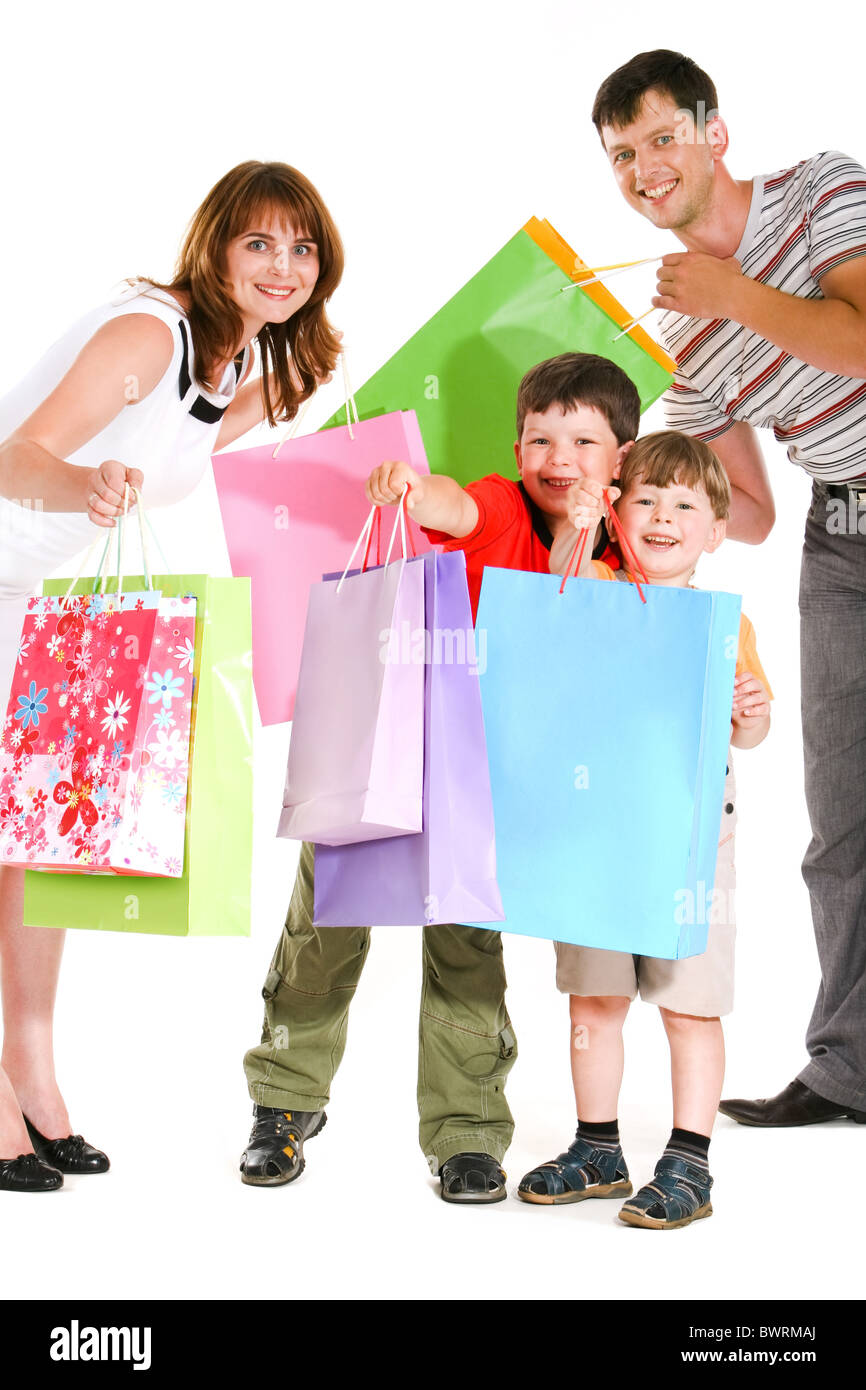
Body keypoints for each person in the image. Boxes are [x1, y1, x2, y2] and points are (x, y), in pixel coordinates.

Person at [0, 160, 343, 1192]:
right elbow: (14, 457)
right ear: (215, 247)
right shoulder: (151, 332)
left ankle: (35, 1071)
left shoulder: (236, 360)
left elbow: (185, 447)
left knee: (39, 846)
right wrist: (83, 480)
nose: (281, 266)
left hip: (50, 603)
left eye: (301, 247)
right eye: (258, 244)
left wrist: (316, 390)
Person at [239, 351, 636, 1202]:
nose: (555, 458)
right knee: (324, 929)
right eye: (539, 438)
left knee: (465, 951)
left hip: (479, 781)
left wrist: (583, 533)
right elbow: (455, 503)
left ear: (622, 460)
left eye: (581, 441)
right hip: (386, 740)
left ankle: (465, 1131)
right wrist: (413, 492)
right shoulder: (500, 504)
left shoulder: (623, 554)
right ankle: (282, 1100)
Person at [590, 49, 866, 1128]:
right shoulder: (685, 331)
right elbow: (740, 510)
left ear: (713, 131)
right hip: (836, 538)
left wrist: (735, 296)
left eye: (661, 138)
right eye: (622, 156)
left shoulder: (822, 191)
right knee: (838, 822)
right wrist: (632, 484)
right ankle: (846, 1069)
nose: (645, 169)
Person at [518, 431, 771, 1228]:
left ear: (715, 530)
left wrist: (752, 712)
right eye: (647, 500)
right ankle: (597, 1147)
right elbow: (547, 603)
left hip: (691, 835)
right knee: (594, 999)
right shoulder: (591, 582)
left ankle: (689, 1161)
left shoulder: (722, 621)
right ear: (620, 513)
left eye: (686, 505)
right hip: (594, 833)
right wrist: (577, 527)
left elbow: (749, 729)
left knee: (689, 1003)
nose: (663, 516)